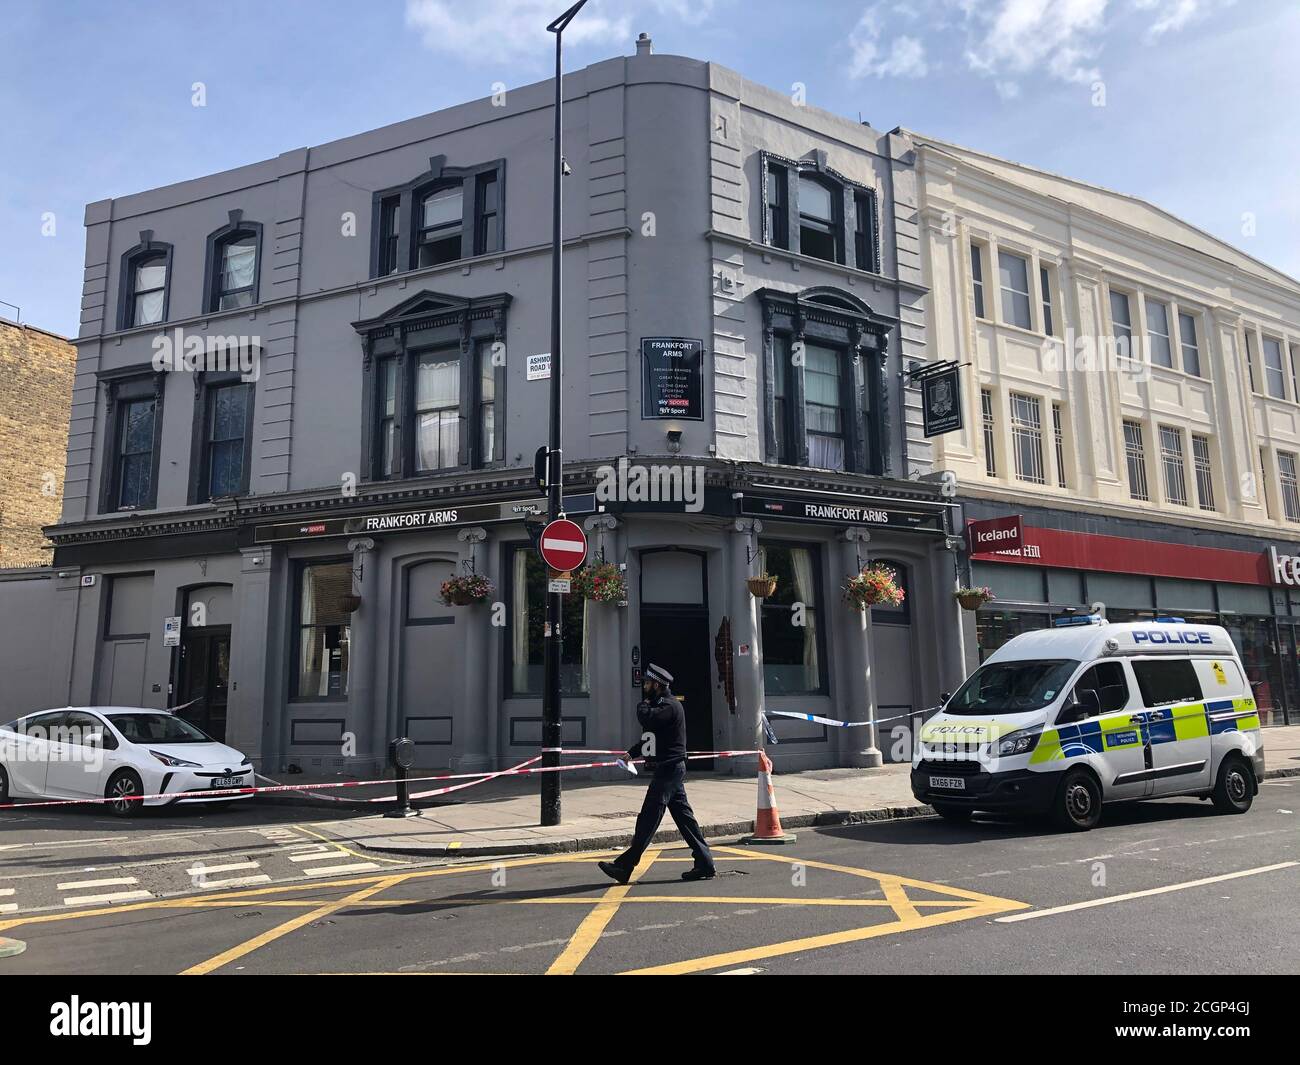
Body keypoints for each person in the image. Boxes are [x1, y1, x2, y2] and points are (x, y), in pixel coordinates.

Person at [598, 663, 715, 883]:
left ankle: (625, 866)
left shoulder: (668, 706)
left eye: (648, 683)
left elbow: (647, 719)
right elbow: (650, 738)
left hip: (669, 770)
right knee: (685, 819)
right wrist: (631, 754)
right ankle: (705, 863)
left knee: (648, 818)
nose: (645, 686)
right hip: (670, 769)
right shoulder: (661, 706)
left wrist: (643, 705)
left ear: (658, 685)